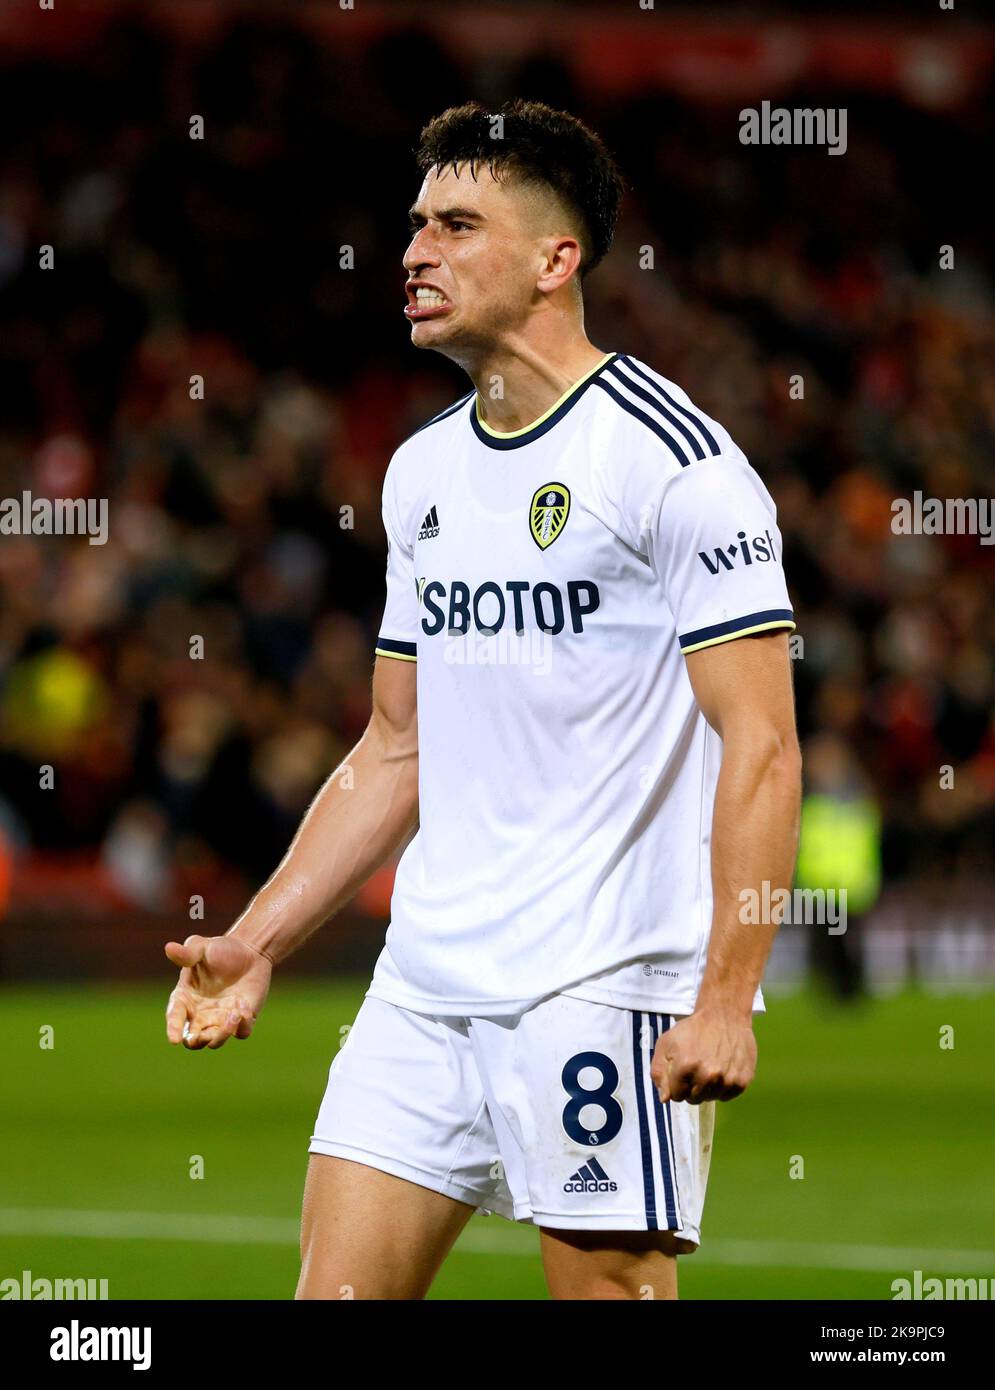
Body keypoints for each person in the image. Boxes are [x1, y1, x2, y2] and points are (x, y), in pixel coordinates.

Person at [165, 100, 801, 1301]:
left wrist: (725, 997)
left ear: (556, 259)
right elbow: (394, 750)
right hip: (426, 982)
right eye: (414, 227)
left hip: (603, 983)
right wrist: (253, 943)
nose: (412, 254)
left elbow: (761, 744)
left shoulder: (674, 464)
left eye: (457, 225)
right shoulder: (423, 472)